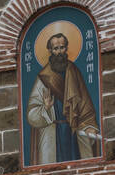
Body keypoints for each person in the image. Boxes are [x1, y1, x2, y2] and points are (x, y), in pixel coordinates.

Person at [26, 32, 99, 165]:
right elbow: (31, 115)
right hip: (53, 134)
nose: (59, 52)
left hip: (74, 133)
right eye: (56, 48)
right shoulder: (43, 77)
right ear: (50, 51)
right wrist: (46, 108)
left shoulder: (73, 71)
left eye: (62, 47)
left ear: (66, 48)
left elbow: (84, 103)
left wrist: (89, 125)